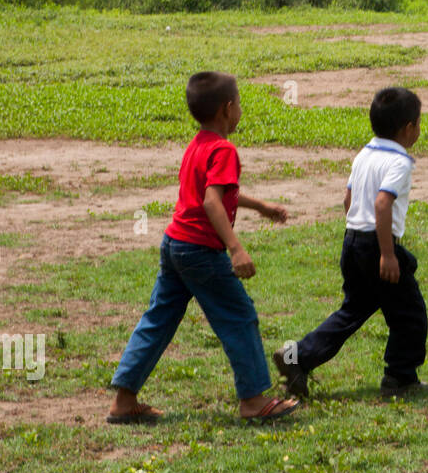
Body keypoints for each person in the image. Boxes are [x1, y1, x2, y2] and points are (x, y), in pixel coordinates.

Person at [108, 71, 298, 424]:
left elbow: (214, 195)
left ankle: (123, 400)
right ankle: (254, 401)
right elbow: (212, 202)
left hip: (175, 243)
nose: (241, 109)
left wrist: (262, 207)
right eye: (239, 103)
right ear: (227, 109)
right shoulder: (224, 150)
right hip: (199, 250)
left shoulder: (198, 145)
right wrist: (236, 248)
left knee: (158, 319)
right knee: (240, 317)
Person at [273, 87, 428, 399]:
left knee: (353, 310)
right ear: (408, 128)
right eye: (419, 123)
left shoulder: (364, 154)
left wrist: (358, 235)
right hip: (378, 246)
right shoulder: (399, 162)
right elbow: (383, 204)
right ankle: (400, 378)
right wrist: (386, 253)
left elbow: (348, 198)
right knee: (410, 314)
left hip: (353, 241)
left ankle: (297, 357)